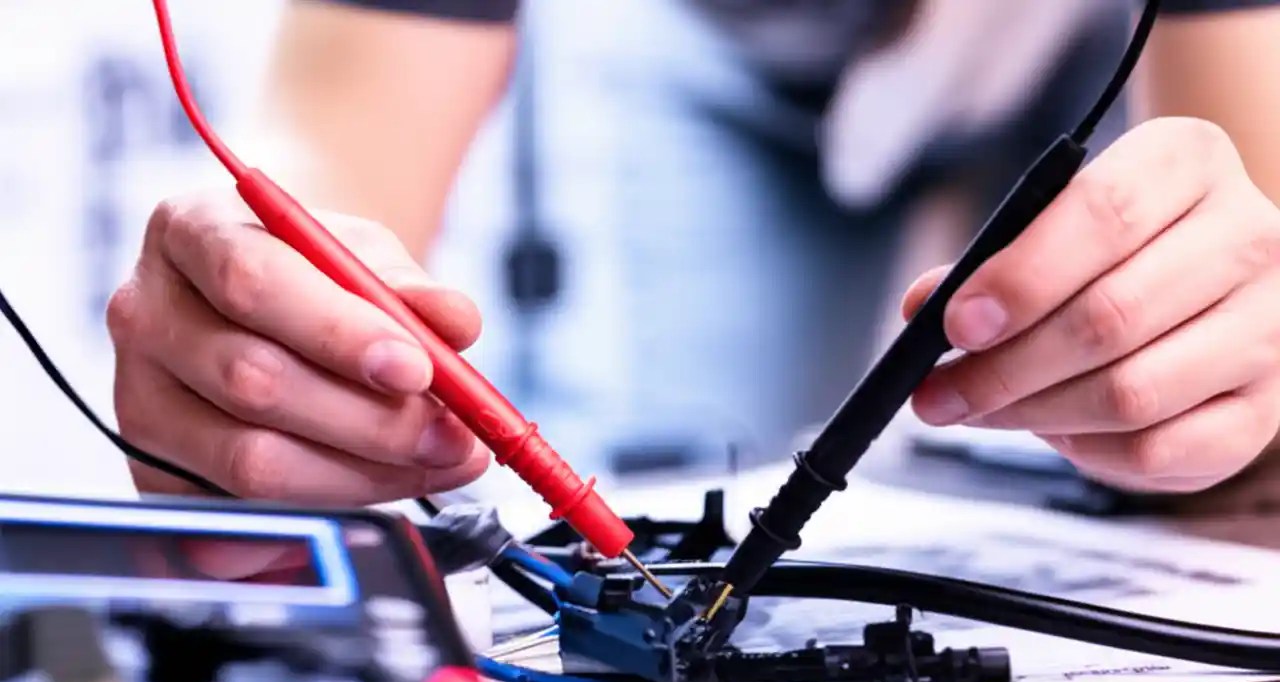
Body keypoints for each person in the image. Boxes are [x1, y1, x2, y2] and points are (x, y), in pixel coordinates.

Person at [105, 0, 1280, 507]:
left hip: (1098, 38)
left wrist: (1235, 372)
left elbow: (1251, 280)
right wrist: (252, 329)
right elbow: (338, 171)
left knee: (1191, 401)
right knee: (700, 504)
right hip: (725, 54)